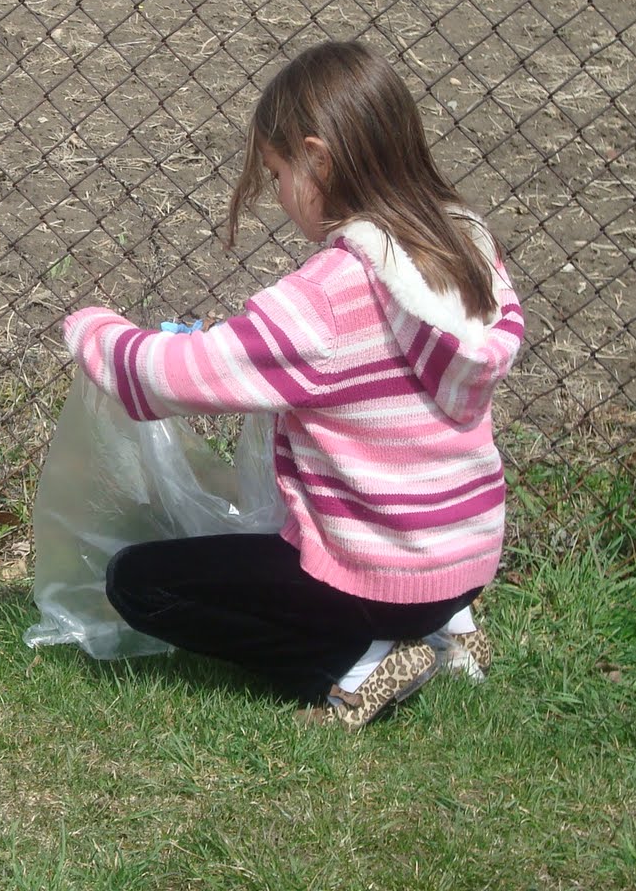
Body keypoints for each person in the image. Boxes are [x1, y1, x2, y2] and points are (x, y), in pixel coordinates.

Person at [63, 40, 524, 728]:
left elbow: (174, 379)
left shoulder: (332, 296)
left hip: (378, 573)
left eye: (278, 172)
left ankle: (355, 661)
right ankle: (449, 626)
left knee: (140, 583)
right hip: (464, 554)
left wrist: (94, 330)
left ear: (319, 159)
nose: (278, 194)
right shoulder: (466, 249)